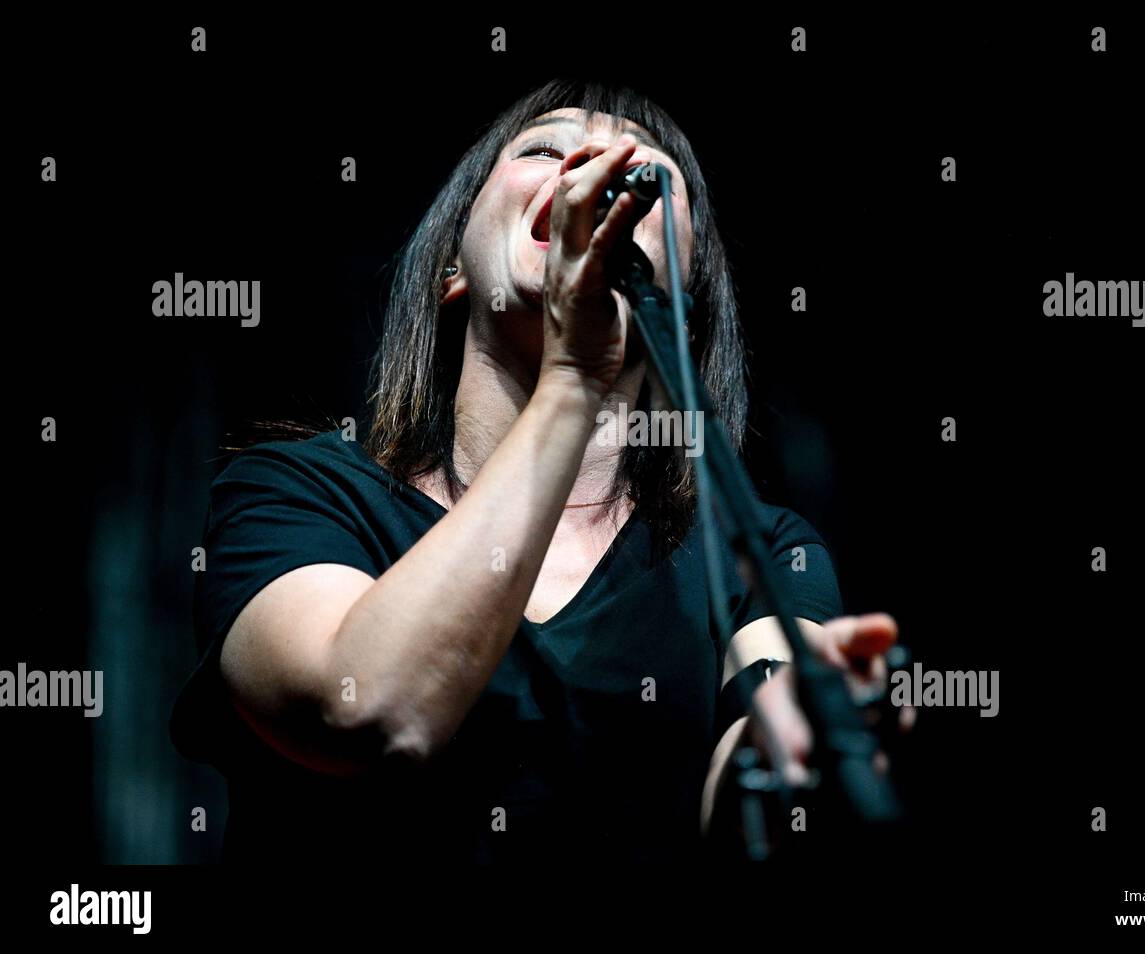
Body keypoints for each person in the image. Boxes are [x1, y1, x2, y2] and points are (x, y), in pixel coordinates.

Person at [170, 79, 901, 865]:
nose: (593, 167)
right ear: (453, 265)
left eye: (645, 174)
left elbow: (743, 799)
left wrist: (788, 745)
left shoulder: (756, 554)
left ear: (684, 298)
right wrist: (574, 376)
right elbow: (371, 713)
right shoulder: (298, 492)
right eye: (545, 150)